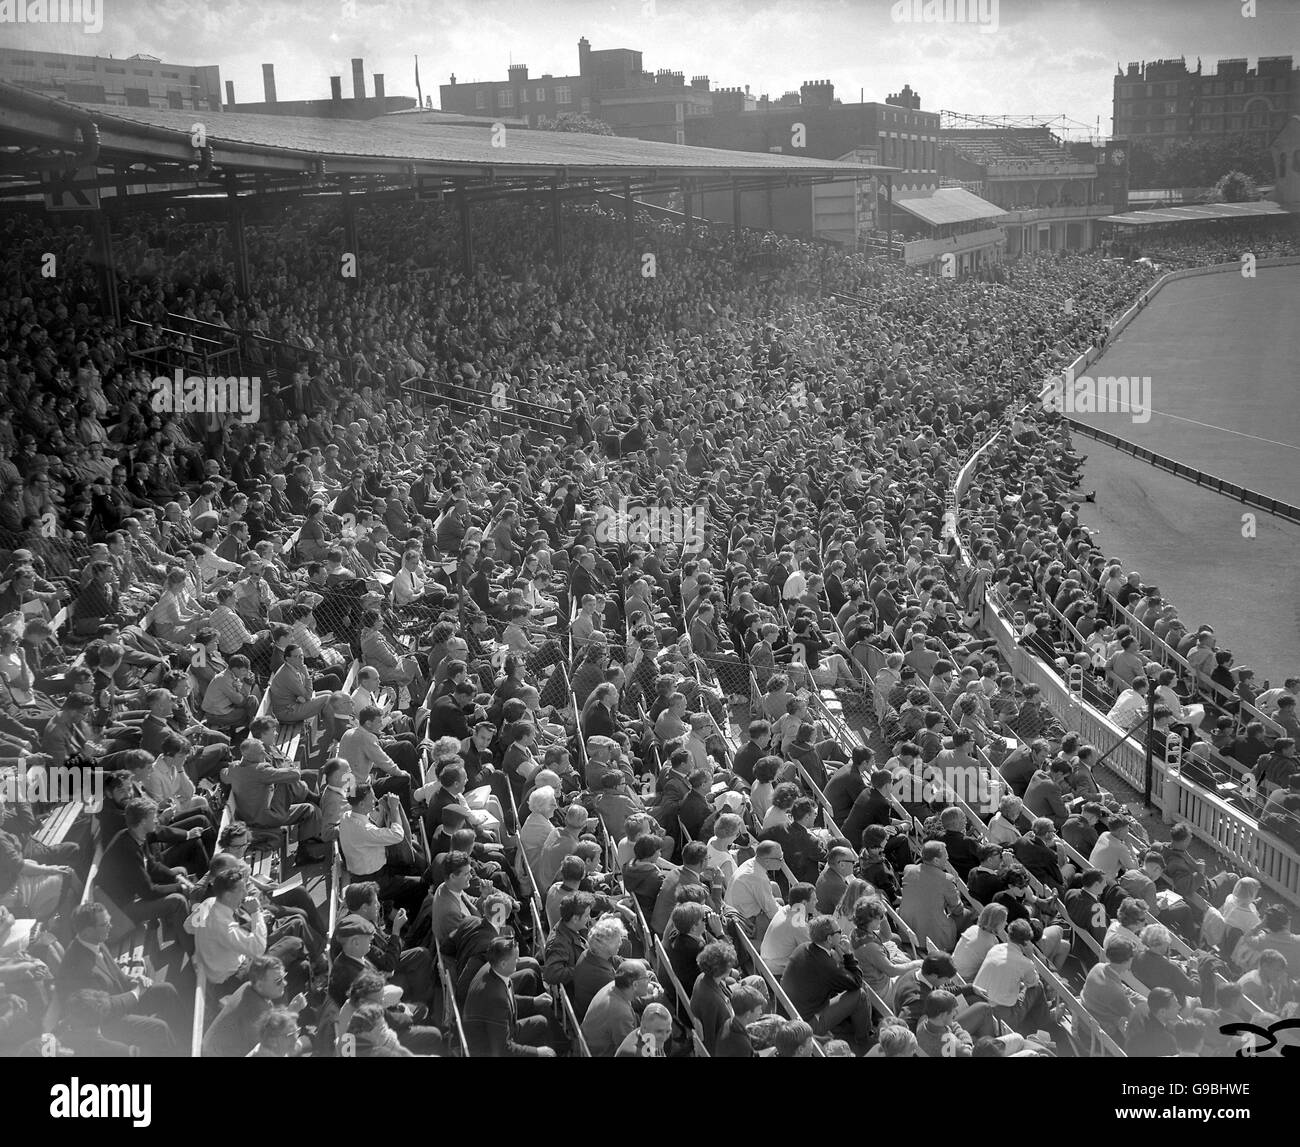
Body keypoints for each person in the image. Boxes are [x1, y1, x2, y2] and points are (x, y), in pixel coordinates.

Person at [56, 901, 182, 1056]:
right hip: (104, 1022)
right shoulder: (79, 967)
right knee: (159, 1028)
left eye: (109, 922)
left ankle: (185, 1039)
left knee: (166, 991)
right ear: (88, 931)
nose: (110, 926)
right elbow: (102, 1007)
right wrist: (137, 992)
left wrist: (135, 979)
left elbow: (118, 976)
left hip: (119, 1003)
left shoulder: (96, 942)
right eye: (104, 924)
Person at [781, 915, 874, 1048]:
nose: (842, 934)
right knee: (860, 995)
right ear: (829, 938)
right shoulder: (827, 966)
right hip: (807, 1024)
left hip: (791, 1012)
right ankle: (863, 1041)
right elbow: (857, 982)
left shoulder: (803, 947)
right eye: (839, 932)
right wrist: (848, 954)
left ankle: (846, 1026)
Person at [461, 935, 557, 1057]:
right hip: (487, 1049)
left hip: (500, 1030)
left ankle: (560, 1048)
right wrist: (537, 1052)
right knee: (542, 1043)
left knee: (542, 1021)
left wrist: (533, 1001)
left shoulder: (493, 969)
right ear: (503, 963)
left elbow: (508, 999)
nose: (518, 961)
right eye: (516, 958)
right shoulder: (496, 999)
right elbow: (503, 1049)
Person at [899, 840, 964, 952]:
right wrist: (955, 889)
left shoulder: (908, 870)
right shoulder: (946, 879)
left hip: (906, 932)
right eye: (945, 856)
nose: (947, 859)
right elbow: (957, 910)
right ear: (936, 860)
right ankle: (958, 952)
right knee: (966, 914)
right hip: (932, 937)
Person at [582, 958, 655, 1057]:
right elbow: (627, 1052)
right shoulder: (621, 1013)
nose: (648, 981)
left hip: (592, 1044)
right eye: (646, 979)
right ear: (635, 984)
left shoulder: (614, 986)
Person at [759, 882, 815, 976]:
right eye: (814, 899)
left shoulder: (786, 909)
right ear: (804, 903)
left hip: (766, 963)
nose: (817, 901)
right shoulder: (797, 924)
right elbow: (814, 951)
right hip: (777, 972)